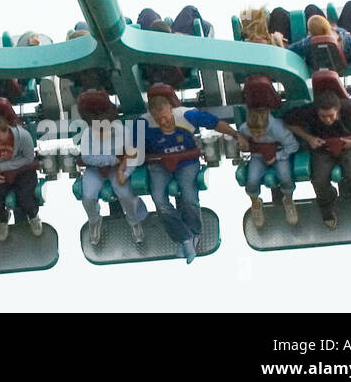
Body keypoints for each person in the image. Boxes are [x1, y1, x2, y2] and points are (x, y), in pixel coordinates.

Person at [144, 85, 248, 262]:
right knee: (159, 201)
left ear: (171, 108)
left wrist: (237, 135)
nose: (163, 122)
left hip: (186, 161)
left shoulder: (187, 115)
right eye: (157, 118)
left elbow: (215, 123)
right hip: (160, 164)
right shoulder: (144, 124)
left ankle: (195, 232)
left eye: (165, 116)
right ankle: (184, 238)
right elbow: (132, 147)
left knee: (189, 197)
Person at [283, 90, 351, 229]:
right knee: (319, 180)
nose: (327, 120)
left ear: (338, 111)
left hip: (347, 145)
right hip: (323, 148)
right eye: (323, 116)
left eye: (331, 116)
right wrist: (309, 138)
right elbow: (288, 121)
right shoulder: (309, 111)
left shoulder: (349, 108)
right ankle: (327, 208)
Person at [75, 90, 147, 245]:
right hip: (95, 170)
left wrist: (125, 173)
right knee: (88, 196)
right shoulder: (88, 134)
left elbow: (131, 156)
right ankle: (94, 220)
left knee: (125, 194)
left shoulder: (121, 131)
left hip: (117, 169)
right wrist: (111, 159)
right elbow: (88, 157)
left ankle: (134, 222)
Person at [0, 101, 41, 240]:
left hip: (22, 171)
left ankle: (33, 217)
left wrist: (3, 167)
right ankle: (3, 218)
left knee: (26, 200)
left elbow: (28, 159)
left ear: (7, 131)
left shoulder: (23, 136)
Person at [237, 107, 300, 227]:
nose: (256, 135)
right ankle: (255, 203)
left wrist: (277, 156)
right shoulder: (245, 129)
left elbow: (293, 146)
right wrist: (243, 144)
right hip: (258, 155)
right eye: (253, 132)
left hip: (279, 152)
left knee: (285, 176)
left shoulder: (278, 129)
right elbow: (242, 138)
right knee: (252, 180)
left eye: (259, 132)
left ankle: (288, 199)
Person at [287, 15, 351, 67]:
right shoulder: (345, 40)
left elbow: (288, 51)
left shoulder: (307, 43)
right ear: (328, 25)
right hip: (340, 64)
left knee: (311, 8)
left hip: (318, 66)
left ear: (310, 33)